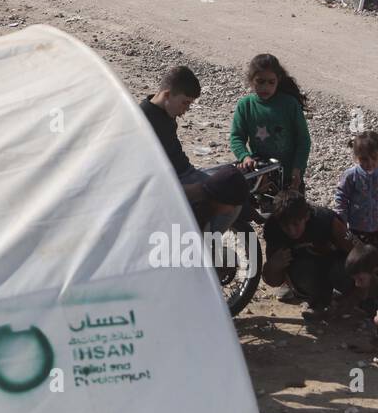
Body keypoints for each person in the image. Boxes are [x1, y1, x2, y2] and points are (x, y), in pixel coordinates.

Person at [139, 66, 243, 230]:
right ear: (167, 95)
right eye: (185, 103)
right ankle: (204, 246)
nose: (185, 110)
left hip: (188, 172)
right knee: (227, 199)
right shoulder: (142, 119)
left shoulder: (166, 112)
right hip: (175, 181)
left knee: (234, 180)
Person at [261, 191, 354, 320]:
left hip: (337, 266)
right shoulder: (274, 230)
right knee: (301, 268)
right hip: (306, 275)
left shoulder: (325, 220)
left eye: (296, 224)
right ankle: (319, 302)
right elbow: (272, 280)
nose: (292, 231)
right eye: (285, 226)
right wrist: (273, 266)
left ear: (306, 216)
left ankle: (349, 298)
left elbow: (357, 251)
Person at [229, 53, 311, 193]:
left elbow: (303, 139)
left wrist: (298, 168)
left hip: (290, 175)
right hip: (261, 175)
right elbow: (236, 137)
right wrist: (245, 156)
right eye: (260, 82)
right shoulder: (246, 106)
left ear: (278, 80)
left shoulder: (289, 104)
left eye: (271, 82)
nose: (265, 87)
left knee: (292, 212)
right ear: (251, 80)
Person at [333, 130, 378, 250]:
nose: (369, 163)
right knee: (357, 253)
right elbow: (341, 198)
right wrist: (341, 220)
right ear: (356, 157)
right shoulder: (351, 176)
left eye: (374, 158)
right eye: (364, 159)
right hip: (357, 226)